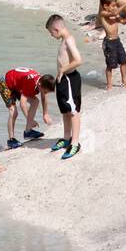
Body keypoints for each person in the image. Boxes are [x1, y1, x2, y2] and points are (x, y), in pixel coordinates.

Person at [45, 15, 82, 159]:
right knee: (65, 110)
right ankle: (66, 138)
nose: (51, 35)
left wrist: (62, 70)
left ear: (56, 29)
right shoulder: (64, 40)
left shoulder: (69, 40)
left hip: (70, 79)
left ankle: (75, 143)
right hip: (63, 79)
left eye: (51, 32)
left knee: (73, 111)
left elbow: (78, 60)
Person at [0, 67, 56, 148]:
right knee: (13, 111)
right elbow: (22, 104)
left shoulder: (42, 81)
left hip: (17, 85)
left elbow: (43, 96)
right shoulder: (31, 83)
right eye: (45, 91)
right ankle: (11, 139)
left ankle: (28, 131)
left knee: (35, 101)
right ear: (40, 85)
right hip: (5, 83)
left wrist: (45, 114)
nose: (45, 93)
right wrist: (30, 120)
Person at [98, 0, 126, 89]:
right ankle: (109, 85)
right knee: (110, 65)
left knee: (123, 61)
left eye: (116, 5)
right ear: (105, 6)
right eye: (113, 5)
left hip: (117, 41)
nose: (115, 7)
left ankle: (125, 81)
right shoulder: (103, 13)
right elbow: (114, 13)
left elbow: (123, 22)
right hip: (109, 43)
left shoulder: (114, 15)